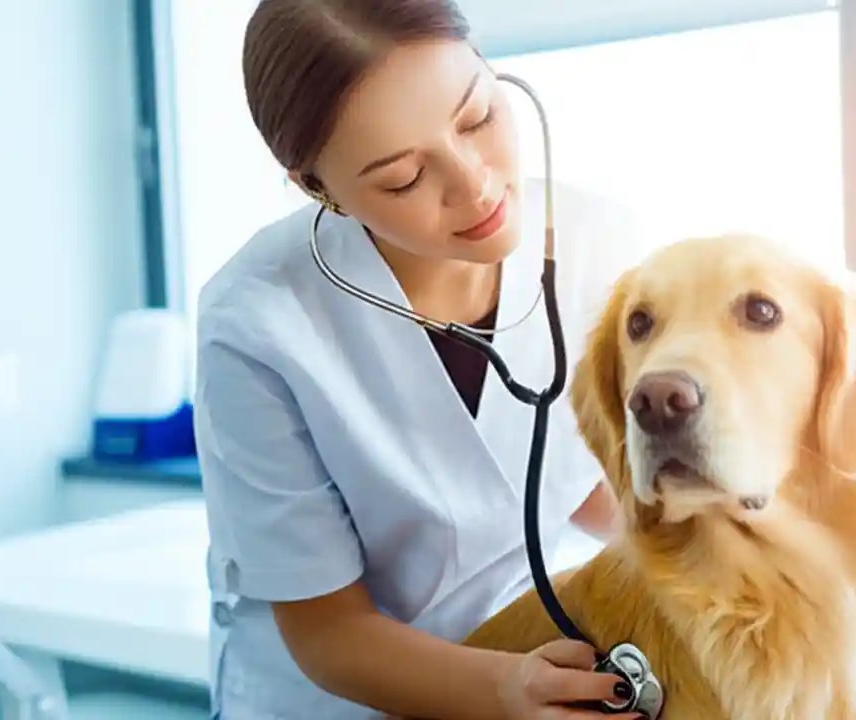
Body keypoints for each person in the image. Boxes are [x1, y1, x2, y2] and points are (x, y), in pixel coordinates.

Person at [194, 1, 641, 717]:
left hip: (519, 662)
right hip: (336, 701)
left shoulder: (595, 243)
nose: (474, 185)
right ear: (318, 189)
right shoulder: (257, 324)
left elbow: (576, 487)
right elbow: (328, 632)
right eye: (403, 178)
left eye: (477, 118)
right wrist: (501, 688)